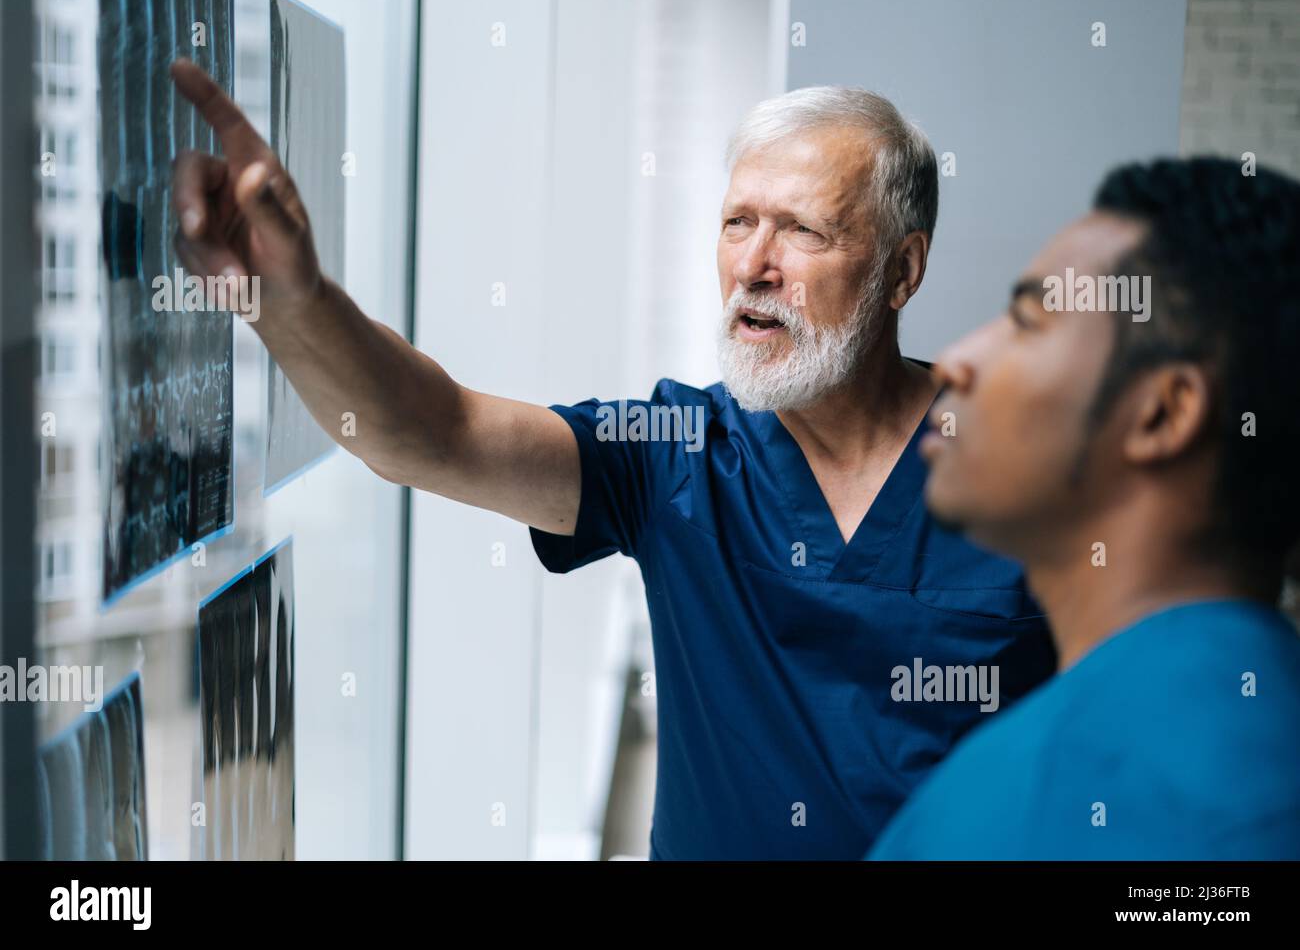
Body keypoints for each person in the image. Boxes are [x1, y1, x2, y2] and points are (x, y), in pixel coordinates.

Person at [169, 60, 1054, 859]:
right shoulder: (676, 455)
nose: (751, 264)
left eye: (804, 232)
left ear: (903, 272)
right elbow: (431, 433)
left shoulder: (1040, 473)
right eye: (736, 222)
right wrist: (288, 300)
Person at [870, 157, 1300, 859]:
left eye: (1026, 321)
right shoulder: (1262, 729)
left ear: (1163, 414)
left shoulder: (1049, 802)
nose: (954, 360)